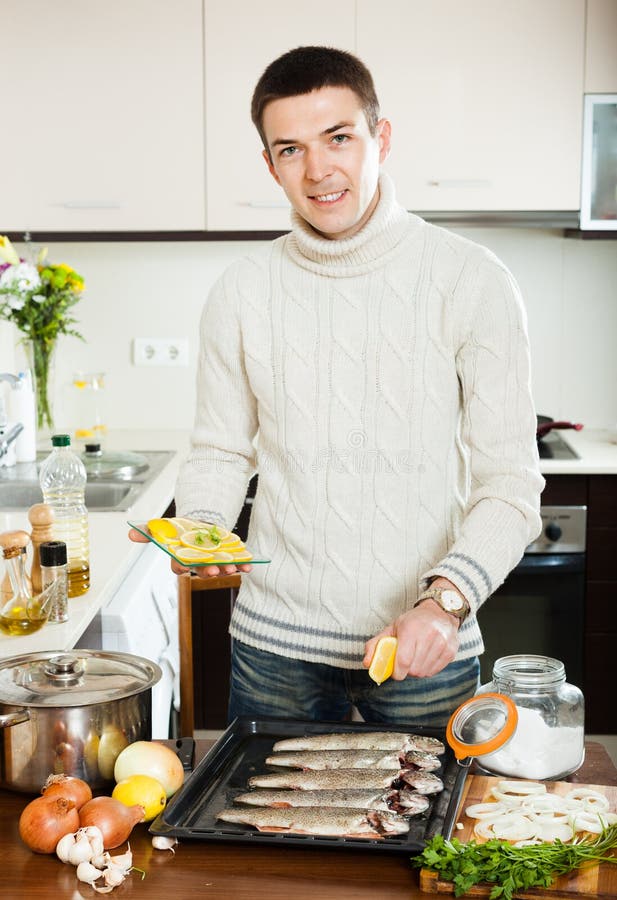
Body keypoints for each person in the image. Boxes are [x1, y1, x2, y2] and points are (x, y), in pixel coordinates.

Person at [132, 46, 544, 728]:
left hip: (424, 647)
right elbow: (220, 451)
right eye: (290, 149)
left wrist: (443, 603)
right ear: (269, 165)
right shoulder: (241, 290)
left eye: (338, 138)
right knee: (259, 834)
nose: (318, 169)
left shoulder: (471, 280)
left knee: (423, 838)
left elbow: (510, 486)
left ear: (380, 138)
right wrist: (200, 530)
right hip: (273, 651)